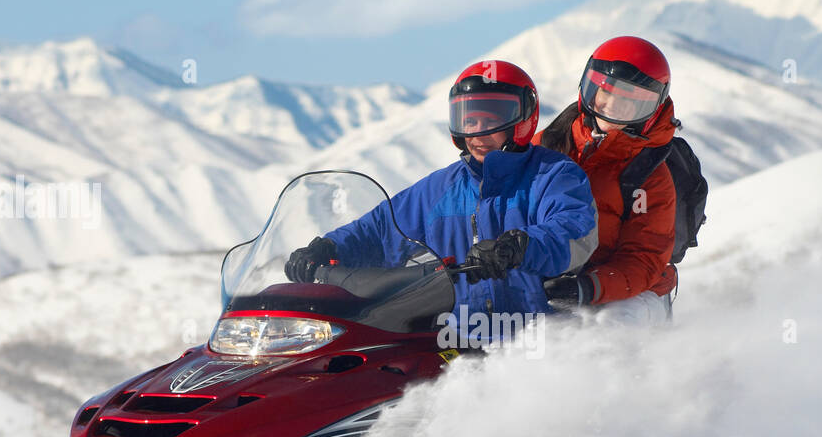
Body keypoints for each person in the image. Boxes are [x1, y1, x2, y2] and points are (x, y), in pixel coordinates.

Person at [285, 61, 597, 327]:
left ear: (522, 121)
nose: (477, 133)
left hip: (533, 337)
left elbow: (572, 232)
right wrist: (325, 248)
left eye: (492, 121)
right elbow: (379, 230)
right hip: (452, 342)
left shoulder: (554, 175)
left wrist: (518, 247)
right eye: (469, 120)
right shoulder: (441, 188)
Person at [535, 36, 679, 324]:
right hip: (561, 283)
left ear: (652, 109)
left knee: (613, 329)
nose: (612, 105)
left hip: (633, 291)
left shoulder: (649, 174)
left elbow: (644, 259)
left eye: (631, 101)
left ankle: (652, 370)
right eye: (605, 92)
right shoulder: (548, 145)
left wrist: (588, 288)